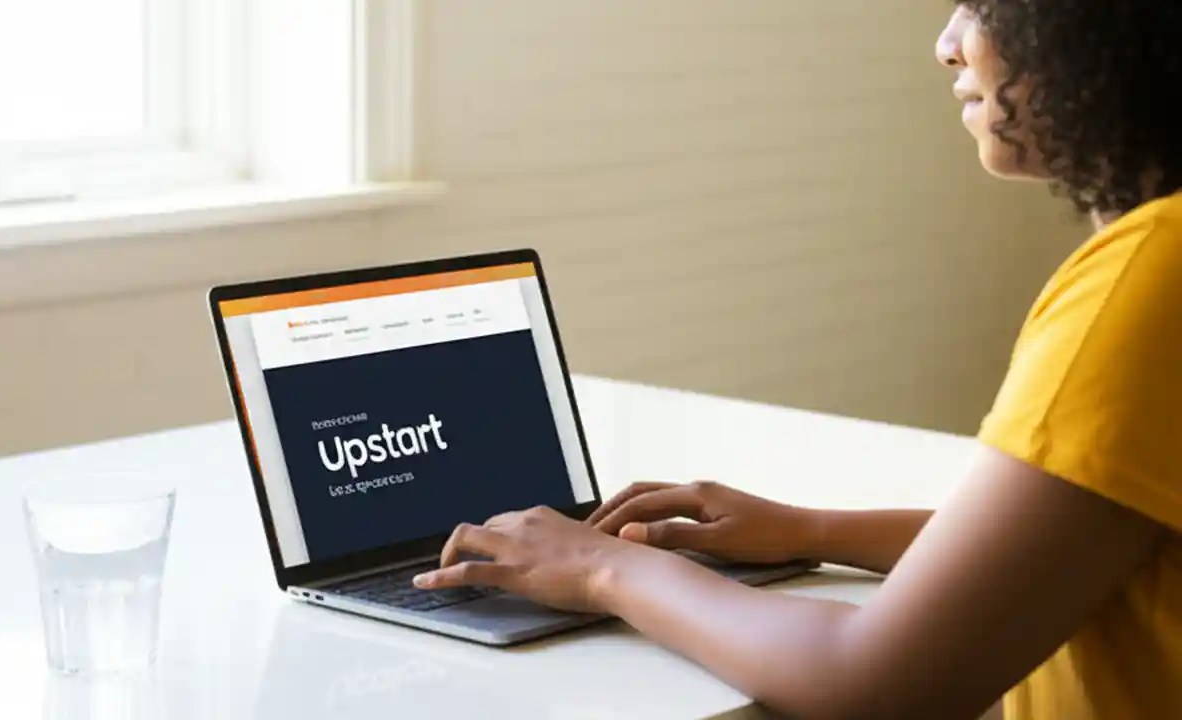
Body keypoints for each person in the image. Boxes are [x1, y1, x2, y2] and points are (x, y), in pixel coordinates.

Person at [413, 2, 1182, 718]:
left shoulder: (1148, 282)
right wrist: (811, 529)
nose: (947, 44)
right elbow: (1067, 549)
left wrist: (602, 570)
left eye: (985, 5)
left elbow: (874, 681)